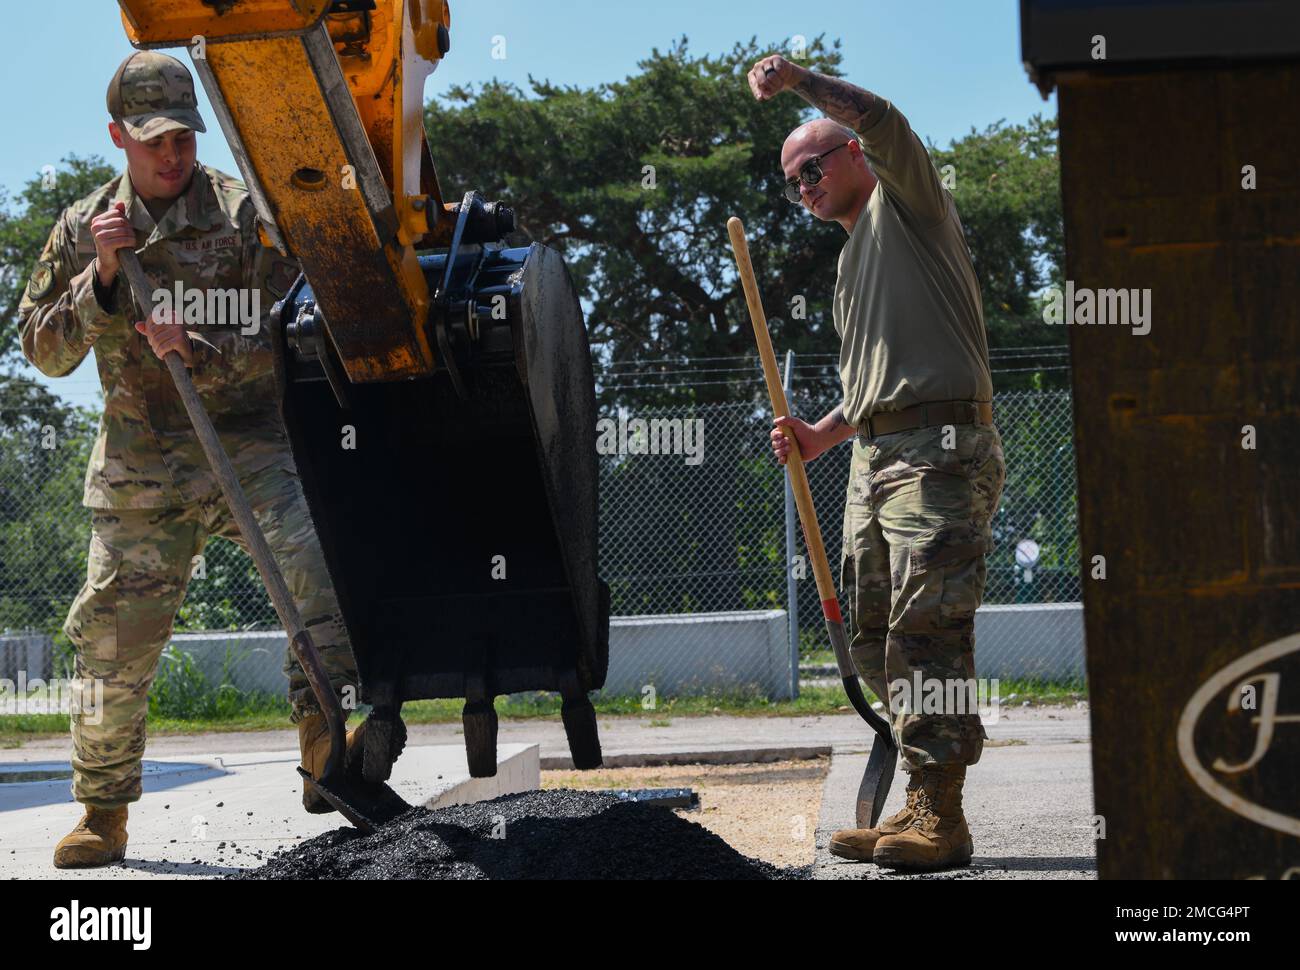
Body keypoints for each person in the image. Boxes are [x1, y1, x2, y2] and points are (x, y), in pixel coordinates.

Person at [17, 50, 394, 869]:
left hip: (248, 446)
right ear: (118, 136)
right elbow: (40, 351)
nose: (172, 153)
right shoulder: (86, 228)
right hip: (138, 470)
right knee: (108, 644)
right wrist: (103, 278)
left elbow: (304, 333)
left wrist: (205, 347)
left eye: (183, 136)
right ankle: (103, 812)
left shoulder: (242, 215)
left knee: (322, 573)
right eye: (153, 139)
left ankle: (326, 749)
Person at [748, 54, 1006, 870]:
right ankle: (915, 803)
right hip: (876, 454)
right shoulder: (849, 263)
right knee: (873, 637)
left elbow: (882, 117)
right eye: (792, 182)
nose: (804, 187)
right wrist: (823, 434)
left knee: (928, 629)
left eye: (813, 167)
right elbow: (871, 381)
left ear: (853, 155)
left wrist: (799, 83)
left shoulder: (910, 204)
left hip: (940, 450)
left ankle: (943, 816)